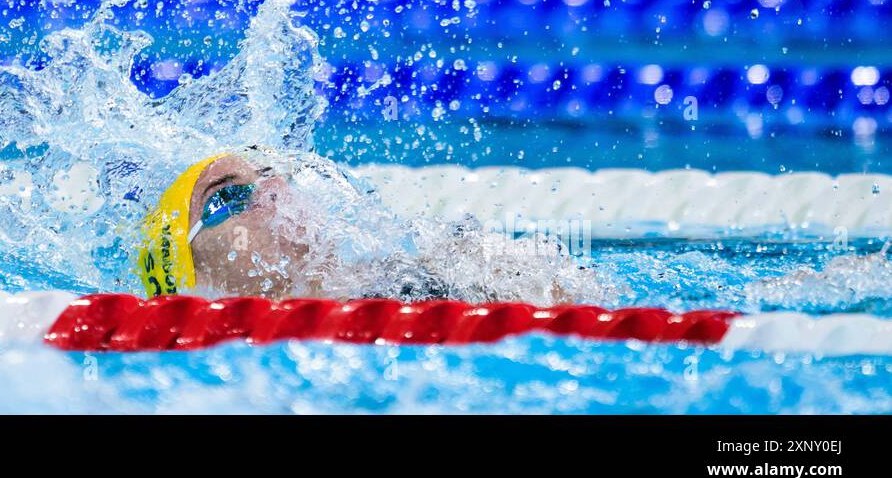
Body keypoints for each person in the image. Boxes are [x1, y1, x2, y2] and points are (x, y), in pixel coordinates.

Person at [137, 148, 610, 304]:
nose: (271, 188)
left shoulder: (400, 275)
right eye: (227, 194)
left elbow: (578, 294)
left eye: (270, 174)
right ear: (190, 271)